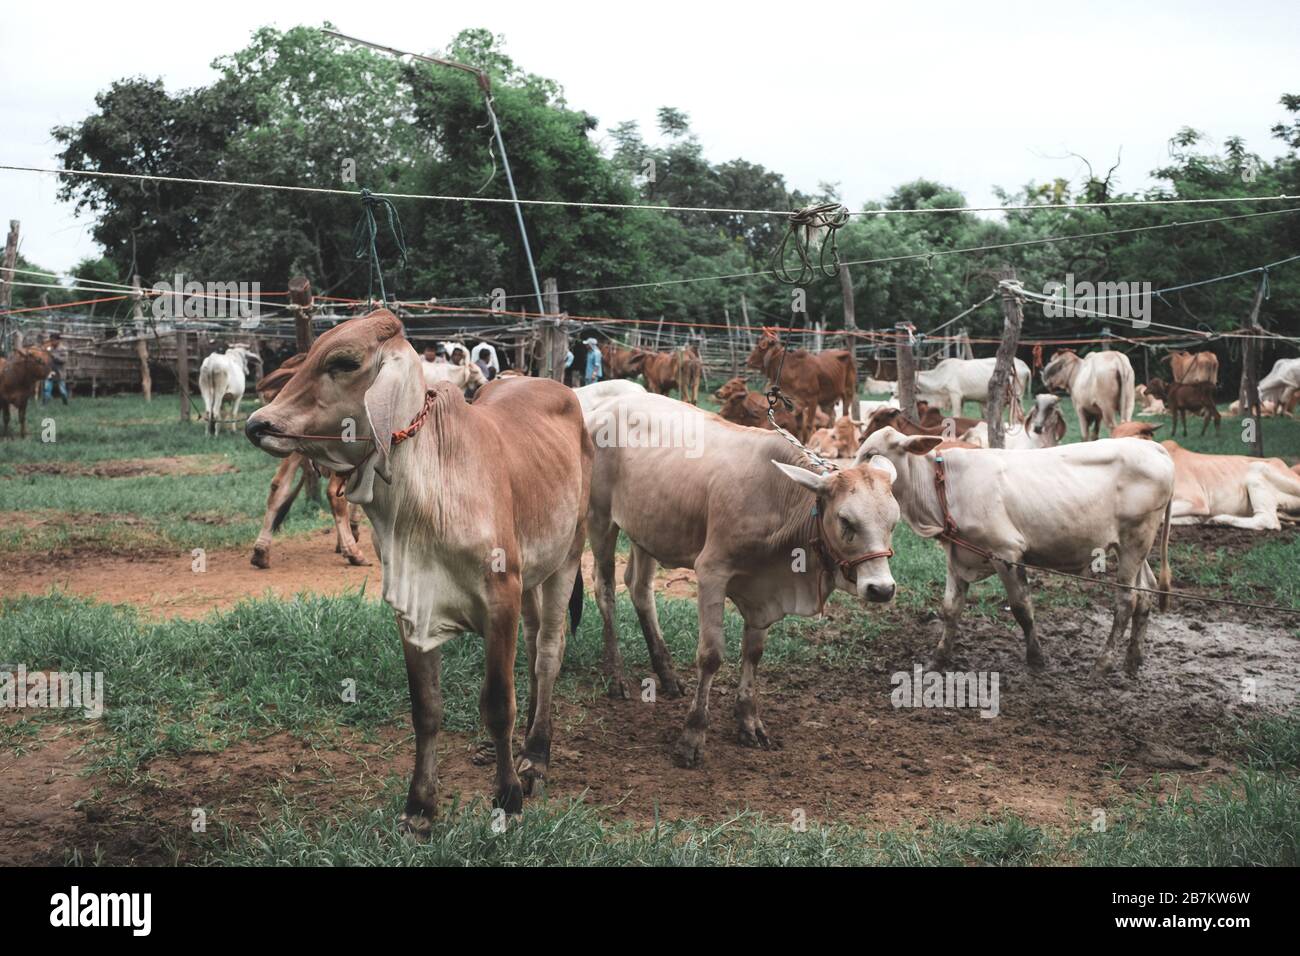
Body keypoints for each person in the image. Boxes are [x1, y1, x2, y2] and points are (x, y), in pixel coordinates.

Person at [41, 334, 69, 405]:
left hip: (60, 372)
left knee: (62, 391)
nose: (52, 342)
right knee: (47, 389)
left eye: (53, 340)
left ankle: (65, 403)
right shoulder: (49, 348)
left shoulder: (63, 349)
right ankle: (45, 405)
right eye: (51, 340)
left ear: (58, 340)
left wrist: (54, 356)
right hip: (50, 372)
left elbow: (64, 360)